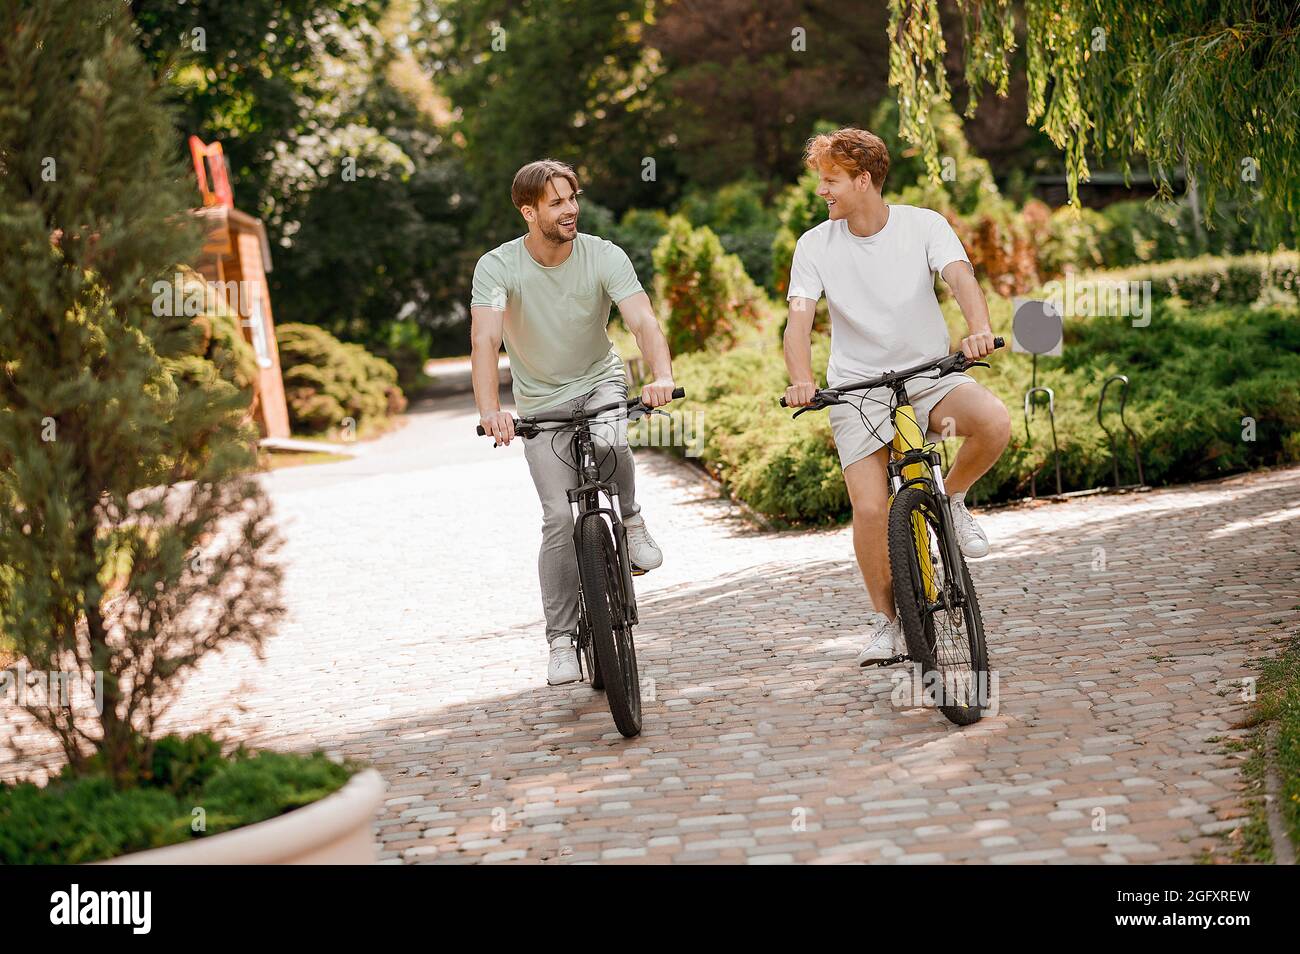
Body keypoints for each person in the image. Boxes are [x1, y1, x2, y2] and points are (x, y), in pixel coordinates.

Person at [782, 128, 1012, 665]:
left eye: (831, 180)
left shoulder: (922, 225)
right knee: (868, 509)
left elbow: (960, 277)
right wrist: (801, 378)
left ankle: (950, 500)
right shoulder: (814, 245)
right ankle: (889, 622)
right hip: (857, 391)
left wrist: (977, 328)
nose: (822, 190)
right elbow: (798, 322)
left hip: (930, 377)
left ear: (864, 180)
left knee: (993, 422)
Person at [470, 159, 677, 685]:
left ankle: (629, 521)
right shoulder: (497, 268)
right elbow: (484, 340)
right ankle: (561, 641)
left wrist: (661, 375)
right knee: (559, 520)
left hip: (598, 379)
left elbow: (641, 319)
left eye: (572, 198)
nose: (570, 209)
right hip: (540, 404)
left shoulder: (603, 255)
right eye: (557, 202)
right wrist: (491, 411)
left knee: (611, 444)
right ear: (528, 211)